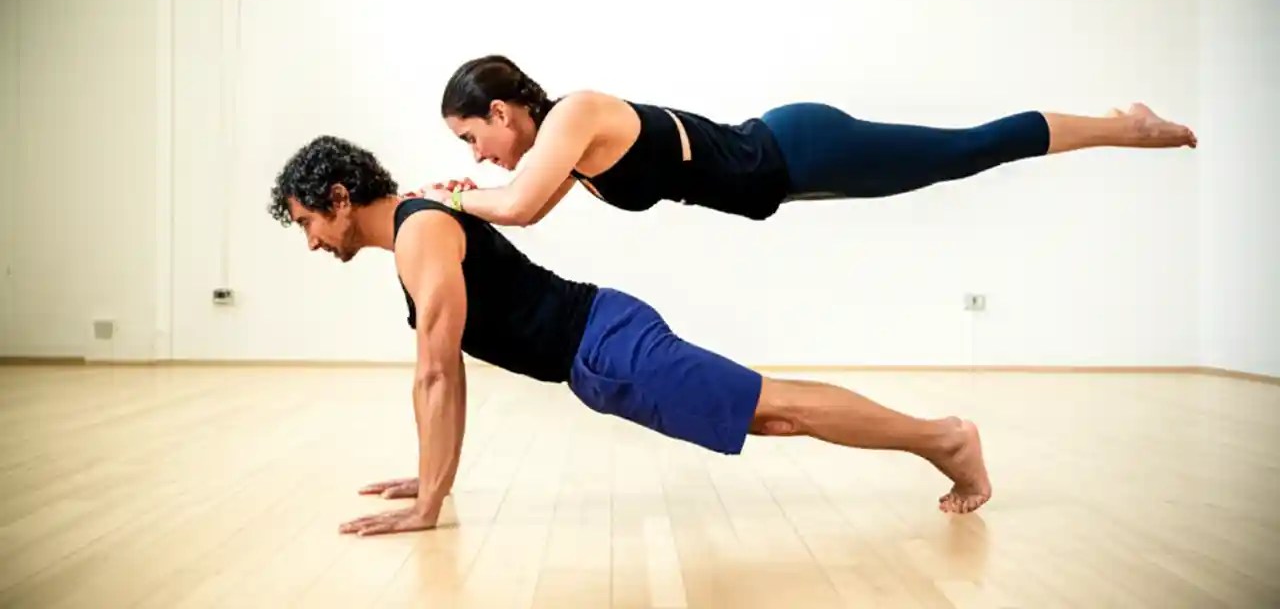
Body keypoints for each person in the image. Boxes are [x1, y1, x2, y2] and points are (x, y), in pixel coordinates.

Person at [268, 135, 993, 536]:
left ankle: (944, 439)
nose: (309, 243)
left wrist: (430, 502)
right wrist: (431, 483)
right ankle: (941, 439)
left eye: (305, 222)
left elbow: (435, 374)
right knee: (771, 412)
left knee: (776, 409)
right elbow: (442, 371)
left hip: (606, 344)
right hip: (601, 348)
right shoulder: (417, 229)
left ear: (338, 198)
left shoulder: (419, 231)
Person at [411, 54, 1197, 224]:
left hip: (799, 149)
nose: (475, 154)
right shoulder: (565, 160)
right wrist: (458, 197)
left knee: (967, 150)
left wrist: (438, 197)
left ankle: (1125, 126)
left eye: (471, 136)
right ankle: (1124, 122)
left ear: (507, 112)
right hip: (785, 173)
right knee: (957, 160)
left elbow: (512, 206)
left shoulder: (577, 112)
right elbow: (526, 206)